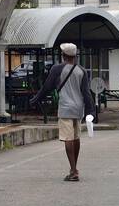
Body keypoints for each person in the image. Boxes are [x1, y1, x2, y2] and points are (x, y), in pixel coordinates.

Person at [31, 42, 95, 181]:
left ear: (63, 55)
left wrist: (36, 98)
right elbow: (86, 92)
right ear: (75, 56)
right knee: (76, 137)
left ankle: (73, 171)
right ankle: (74, 167)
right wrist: (91, 111)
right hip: (78, 109)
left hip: (65, 108)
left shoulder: (57, 69)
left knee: (68, 138)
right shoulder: (82, 70)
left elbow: (47, 86)